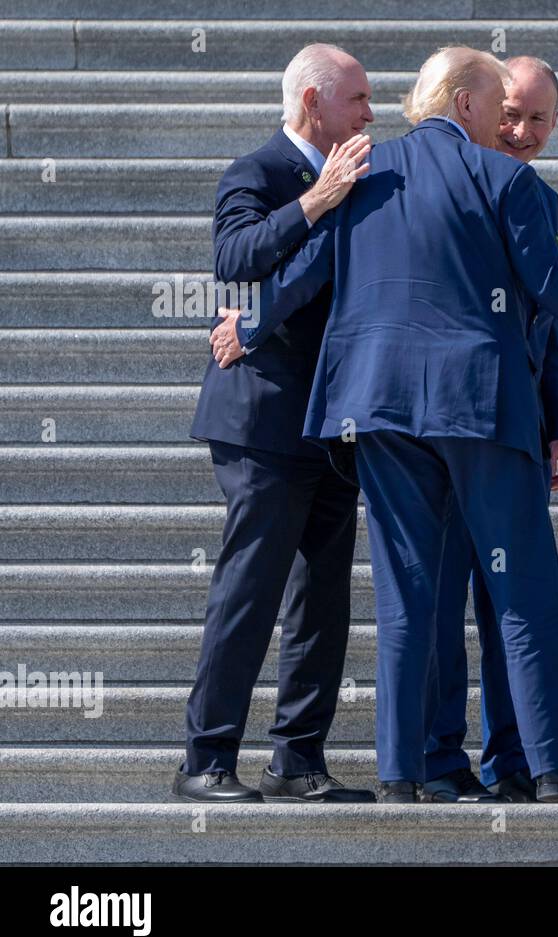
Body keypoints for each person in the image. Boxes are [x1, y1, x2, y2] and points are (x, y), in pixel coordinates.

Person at [209, 47, 558, 803]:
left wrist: (248, 324)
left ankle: (400, 773)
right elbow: (552, 287)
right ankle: (550, 770)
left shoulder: (362, 176)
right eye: (500, 102)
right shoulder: (508, 180)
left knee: (407, 596)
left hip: (378, 415)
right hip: (481, 409)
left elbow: (307, 269)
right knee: (522, 587)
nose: (510, 119)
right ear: (468, 103)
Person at [176, 43, 376, 803]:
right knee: (249, 592)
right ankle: (205, 759)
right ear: (313, 103)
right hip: (261, 423)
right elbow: (234, 259)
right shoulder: (258, 171)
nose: (368, 113)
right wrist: (315, 201)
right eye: (357, 99)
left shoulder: (352, 177)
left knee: (322, 599)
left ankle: (298, 759)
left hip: (332, 426)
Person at [422, 55, 558, 805]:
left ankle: (513, 759)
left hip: (515, 423)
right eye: (510, 113)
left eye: (537, 119)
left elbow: (549, 319)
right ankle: (440, 760)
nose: (520, 132)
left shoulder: (539, 197)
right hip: (441, 426)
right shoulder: (421, 184)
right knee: (445, 595)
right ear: (479, 106)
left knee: (512, 601)